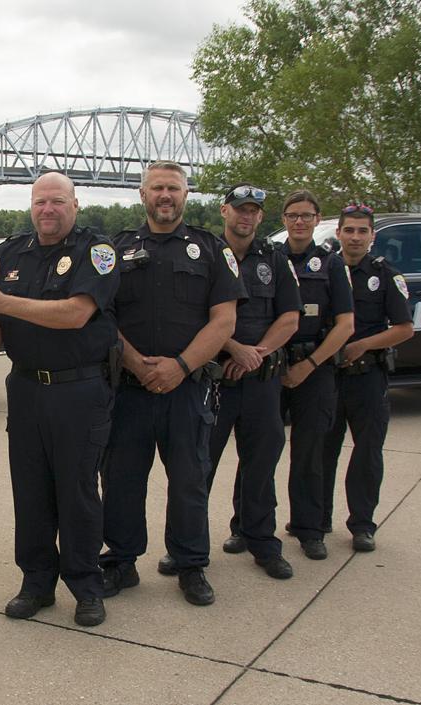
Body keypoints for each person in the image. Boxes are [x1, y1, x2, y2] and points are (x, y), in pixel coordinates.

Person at [0, 172, 118, 627]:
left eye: (57, 201)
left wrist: (3, 303)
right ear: (31, 206)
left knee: (77, 493)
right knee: (31, 492)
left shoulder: (98, 251)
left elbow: (76, 314)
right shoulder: (9, 253)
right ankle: (36, 583)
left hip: (80, 391)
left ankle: (86, 586)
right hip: (26, 389)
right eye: (40, 202)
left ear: (75, 205)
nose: (47, 210)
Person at [99, 162, 245, 606]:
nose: (166, 195)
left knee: (189, 480)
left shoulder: (212, 249)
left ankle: (190, 564)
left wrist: (180, 367)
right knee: (121, 479)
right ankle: (121, 562)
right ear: (143, 194)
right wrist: (137, 363)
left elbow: (224, 321)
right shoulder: (116, 249)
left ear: (186, 195)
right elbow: (102, 314)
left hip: (187, 389)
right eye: (158, 188)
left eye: (174, 189)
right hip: (129, 388)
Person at [207, 183, 301, 580]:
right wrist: (232, 347)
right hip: (213, 381)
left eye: (253, 211)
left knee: (261, 466)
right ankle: (187, 550)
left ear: (260, 217)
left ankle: (261, 541)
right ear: (224, 211)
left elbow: (290, 318)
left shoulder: (275, 259)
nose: (246, 216)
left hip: (261, 380)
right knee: (198, 468)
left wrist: (253, 355)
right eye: (240, 208)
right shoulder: (205, 254)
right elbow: (192, 316)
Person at [321, 204, 414, 552]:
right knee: (321, 452)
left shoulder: (385, 274)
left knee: (367, 454)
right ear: (339, 234)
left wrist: (362, 345)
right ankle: (317, 519)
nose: (355, 237)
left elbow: (404, 329)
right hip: (329, 376)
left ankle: (362, 525)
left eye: (362, 231)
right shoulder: (324, 270)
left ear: (372, 236)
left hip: (368, 377)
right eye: (349, 230)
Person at [277, 191, 354, 560]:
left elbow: (345, 325)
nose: (299, 222)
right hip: (272, 366)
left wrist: (308, 365)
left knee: (310, 453)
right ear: (284, 219)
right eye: (293, 215)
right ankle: (245, 525)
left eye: (307, 215)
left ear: (317, 219)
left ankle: (309, 529)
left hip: (315, 367)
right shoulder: (270, 259)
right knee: (258, 451)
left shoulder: (331, 264)